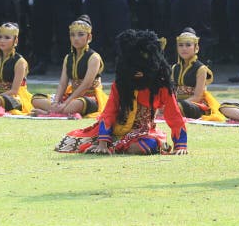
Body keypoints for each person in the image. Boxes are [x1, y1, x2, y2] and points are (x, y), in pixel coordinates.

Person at [54, 29, 187, 155]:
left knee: (142, 147)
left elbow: (174, 115)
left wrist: (180, 145)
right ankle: (113, 145)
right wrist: (103, 143)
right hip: (116, 130)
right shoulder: (120, 85)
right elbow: (109, 112)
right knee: (68, 142)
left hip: (144, 133)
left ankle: (157, 144)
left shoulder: (160, 86)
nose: (138, 71)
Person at [30, 15, 107, 117]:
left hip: (89, 97)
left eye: (80, 35)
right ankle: (57, 110)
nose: (76, 38)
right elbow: (63, 84)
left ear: (89, 37)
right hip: (72, 96)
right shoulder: (68, 58)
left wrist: (66, 103)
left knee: (77, 104)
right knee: (36, 99)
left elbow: (86, 85)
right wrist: (56, 102)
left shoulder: (94, 58)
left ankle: (48, 112)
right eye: (72, 35)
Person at [172, 28, 224, 121]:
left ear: (196, 48)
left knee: (180, 106)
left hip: (195, 105)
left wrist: (175, 105)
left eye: (188, 45)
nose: (184, 48)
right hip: (178, 102)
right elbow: (171, 91)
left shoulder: (201, 68)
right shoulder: (174, 68)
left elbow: (197, 97)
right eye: (181, 45)